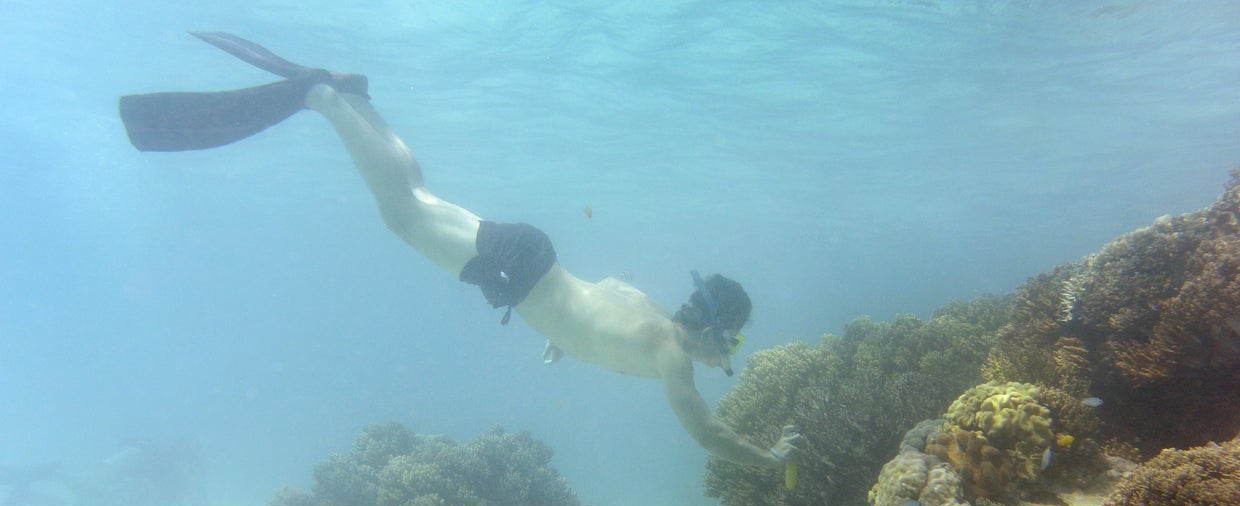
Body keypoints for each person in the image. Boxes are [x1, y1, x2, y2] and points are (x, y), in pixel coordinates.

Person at [120, 32, 801, 469]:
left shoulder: (648, 310)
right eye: (732, 344)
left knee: (417, 199)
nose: (726, 359)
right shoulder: (672, 356)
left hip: (531, 259)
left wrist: (561, 338)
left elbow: (602, 299)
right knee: (402, 215)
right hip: (520, 271)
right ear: (714, 328)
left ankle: (354, 96)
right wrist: (771, 460)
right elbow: (707, 435)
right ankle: (323, 99)